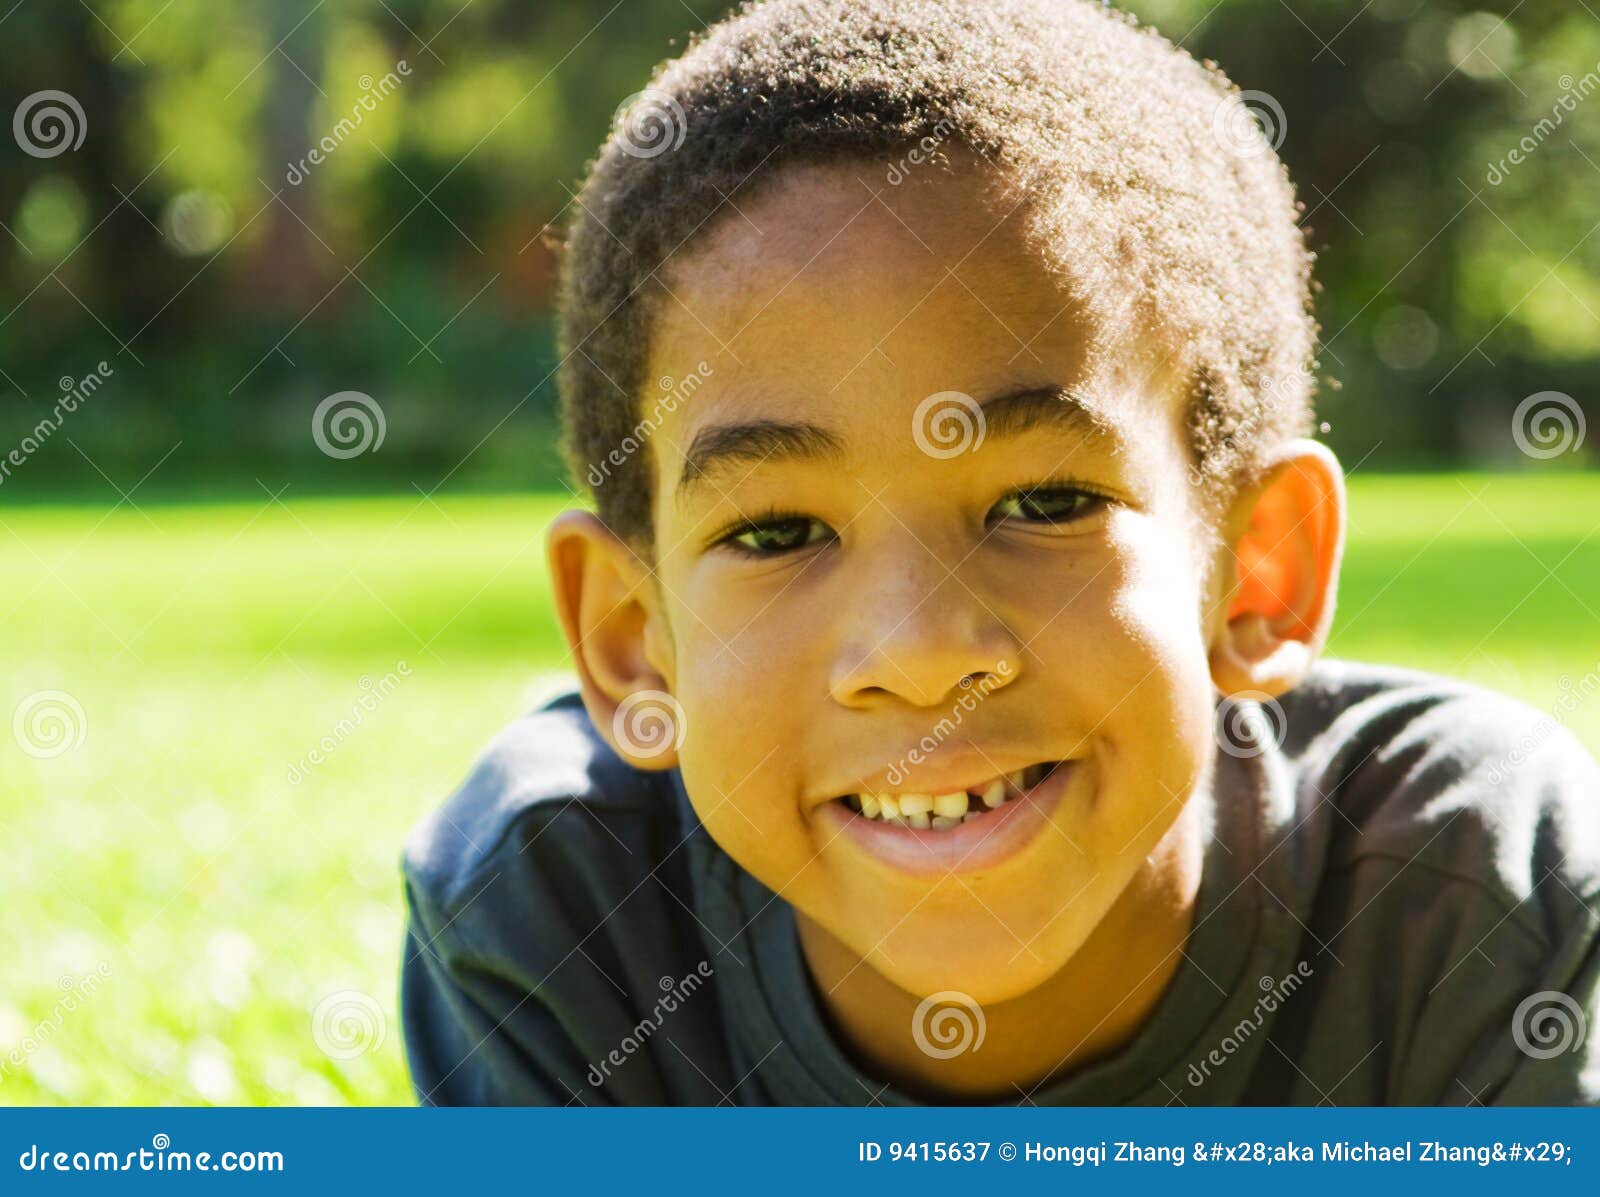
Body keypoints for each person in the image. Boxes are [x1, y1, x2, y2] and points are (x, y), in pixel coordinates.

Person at [400, 0, 1600, 1105]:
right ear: (630, 641)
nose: (919, 654)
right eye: (775, 531)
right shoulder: (560, 918)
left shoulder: (1467, 897)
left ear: (1259, 569)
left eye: (1040, 504)